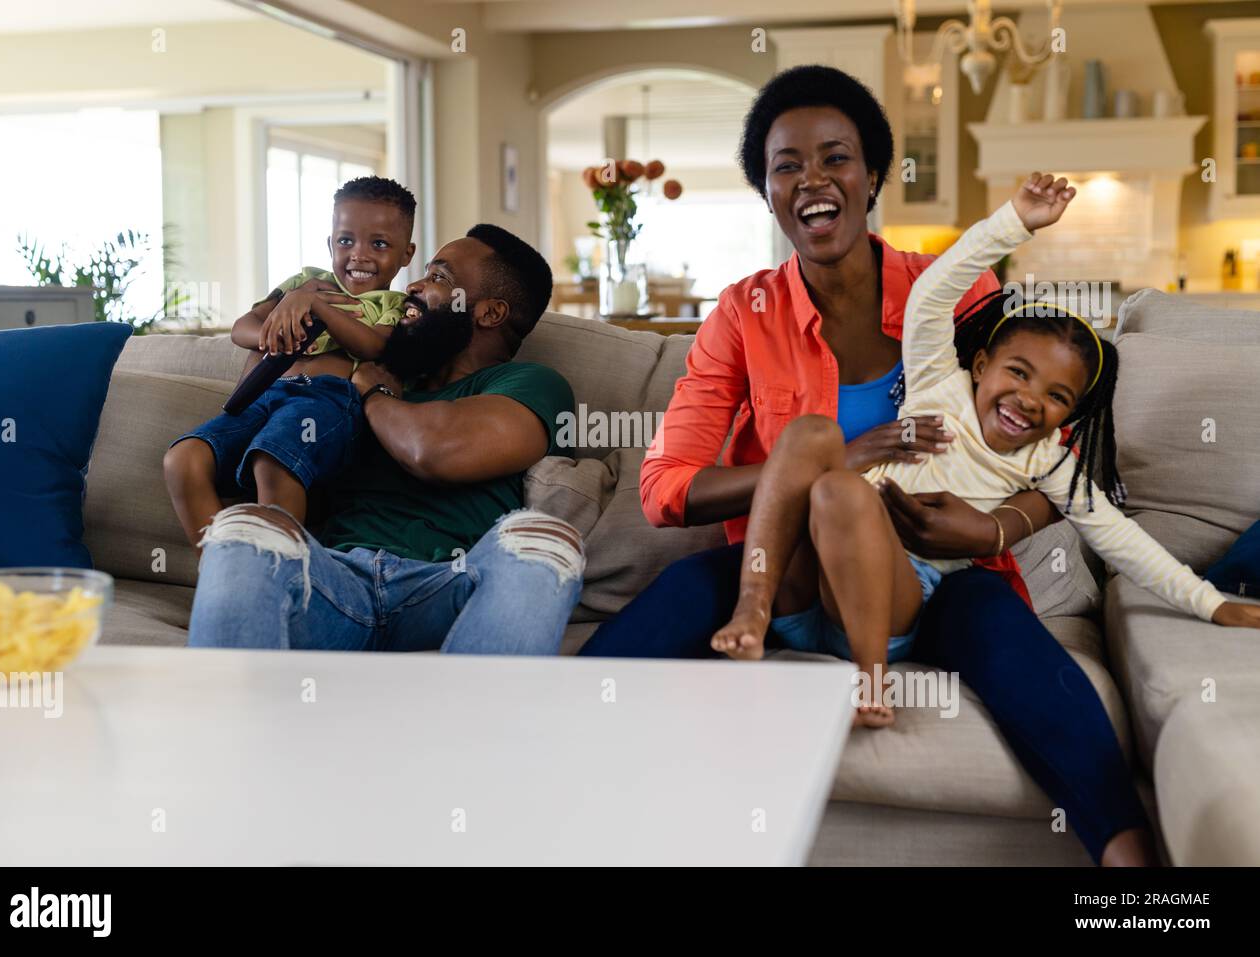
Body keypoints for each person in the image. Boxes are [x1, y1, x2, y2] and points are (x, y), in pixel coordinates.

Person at [581, 65, 1157, 865]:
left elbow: (1068, 458)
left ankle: (1137, 873)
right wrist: (819, 466)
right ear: (767, 192)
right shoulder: (743, 316)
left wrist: (994, 524)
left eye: (836, 157)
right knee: (649, 623)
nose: (812, 179)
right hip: (780, 570)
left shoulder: (951, 294)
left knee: (1010, 639)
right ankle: (521, 797)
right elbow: (665, 490)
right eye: (787, 165)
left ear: (874, 175)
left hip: (930, 575)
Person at [711, 172, 1260, 725]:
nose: (1028, 399)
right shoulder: (936, 385)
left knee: (843, 492)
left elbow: (1127, 544)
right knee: (812, 436)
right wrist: (1013, 223)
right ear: (979, 366)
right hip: (803, 588)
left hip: (893, 600)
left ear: (1068, 415)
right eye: (1017, 373)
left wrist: (1213, 604)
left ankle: (869, 681)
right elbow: (931, 296)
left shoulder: (1049, 463)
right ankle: (751, 610)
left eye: (1056, 397)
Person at [186, 224, 586, 655]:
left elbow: (432, 451)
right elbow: (271, 404)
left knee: (543, 542)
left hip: (451, 587)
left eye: (439, 279)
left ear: (489, 314)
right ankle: (229, 716)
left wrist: (373, 392)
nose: (413, 285)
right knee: (244, 530)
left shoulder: (533, 384)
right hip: (335, 585)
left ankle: (475, 714)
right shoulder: (358, 370)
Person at [165, 176, 416, 542]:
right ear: (331, 242)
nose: (359, 254)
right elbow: (242, 328)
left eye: (378, 244)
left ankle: (275, 578)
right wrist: (274, 333)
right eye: (346, 241)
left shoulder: (397, 306)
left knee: (272, 460)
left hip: (328, 402)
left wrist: (314, 304)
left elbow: (373, 347)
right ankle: (220, 572)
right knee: (183, 458)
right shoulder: (304, 281)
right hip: (265, 394)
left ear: (406, 254)